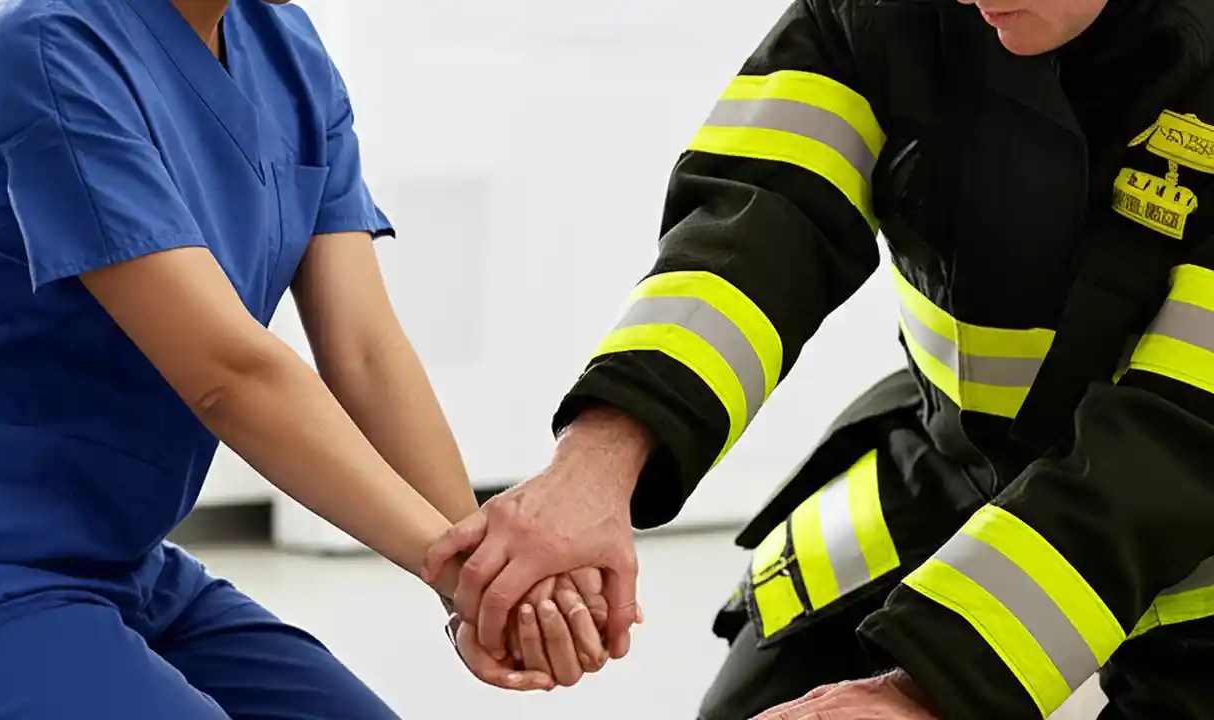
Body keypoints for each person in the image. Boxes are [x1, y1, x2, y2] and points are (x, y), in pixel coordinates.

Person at [424, 0, 1214, 718]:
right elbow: (764, 216)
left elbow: (1178, 439)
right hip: (956, 466)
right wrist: (597, 462)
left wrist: (929, 687)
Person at [0, 0, 611, 717]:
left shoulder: (284, 46)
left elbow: (364, 349)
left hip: (128, 560)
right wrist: (469, 572)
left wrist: (480, 574)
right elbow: (230, 373)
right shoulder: (46, 44)